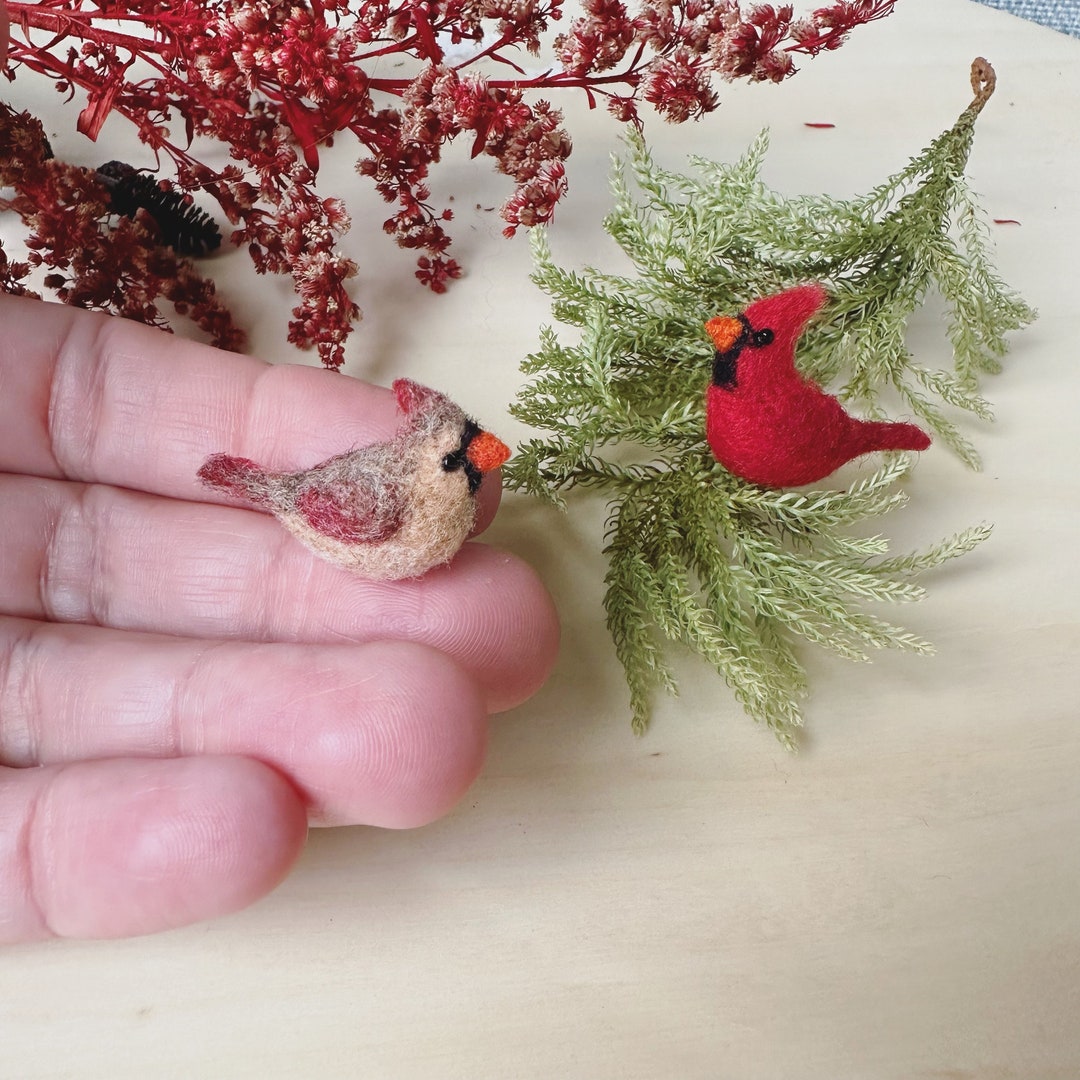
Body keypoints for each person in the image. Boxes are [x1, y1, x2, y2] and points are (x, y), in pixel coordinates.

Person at [0, 293, 560, 943]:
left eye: (473, 455)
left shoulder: (439, 500)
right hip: (296, 501)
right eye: (460, 458)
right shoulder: (378, 501)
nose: (478, 462)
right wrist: (270, 489)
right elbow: (313, 499)